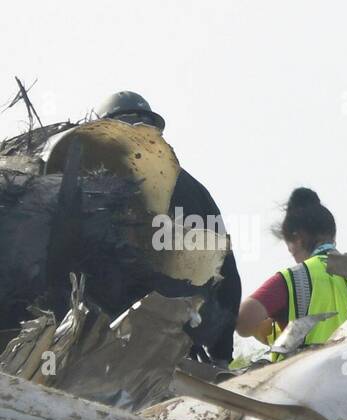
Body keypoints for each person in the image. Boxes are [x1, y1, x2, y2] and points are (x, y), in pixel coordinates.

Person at [95, 91, 242, 363]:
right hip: (185, 341)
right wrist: (222, 356)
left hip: (118, 348)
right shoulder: (193, 189)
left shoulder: (92, 191)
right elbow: (229, 279)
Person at [236, 188, 347, 351]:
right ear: (333, 236)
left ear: (297, 239)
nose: (290, 252)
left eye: (289, 246)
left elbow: (243, 321)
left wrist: (262, 330)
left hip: (307, 374)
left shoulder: (293, 279)